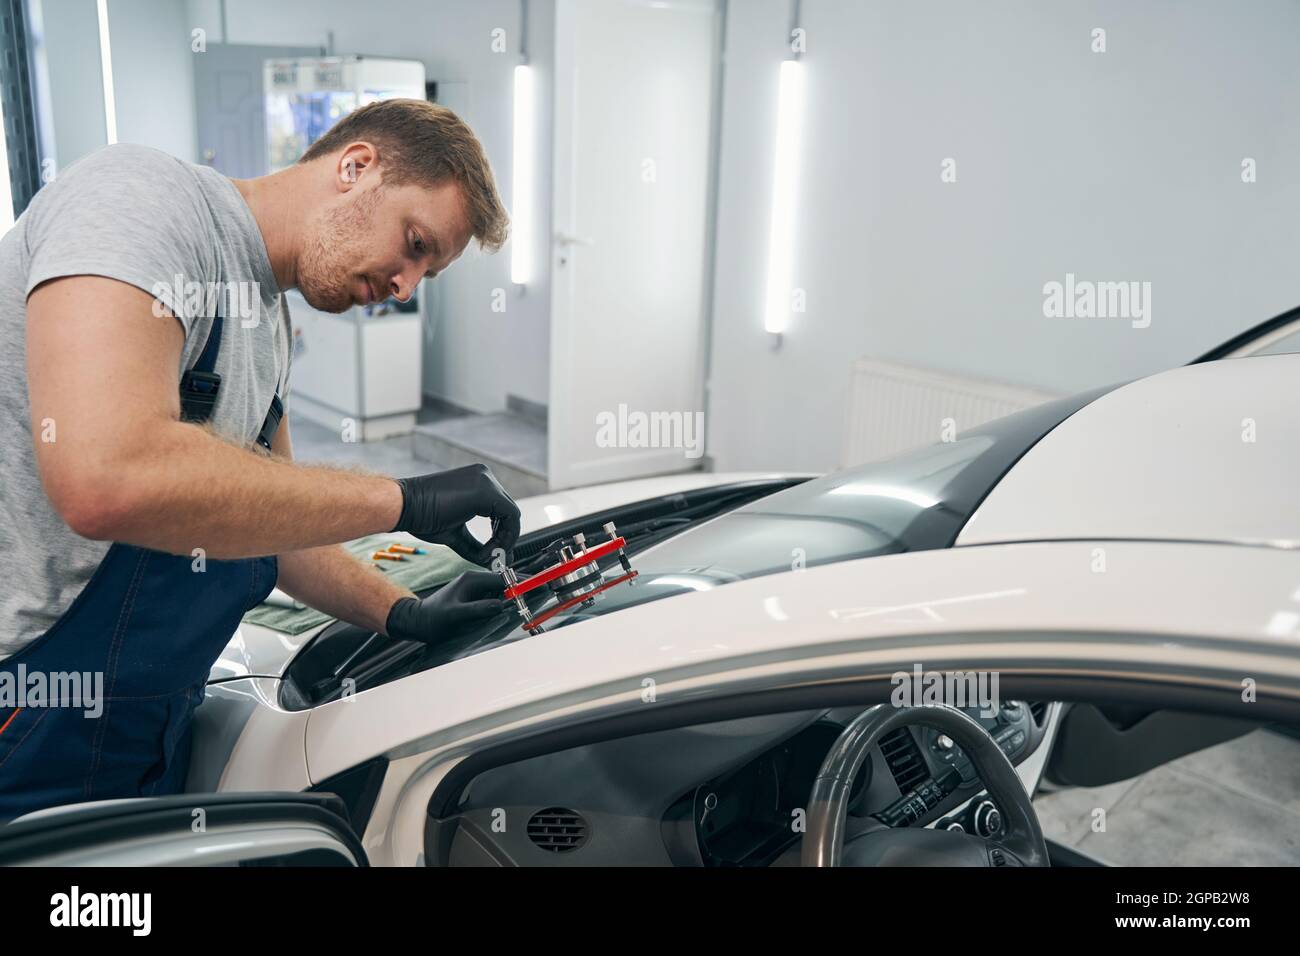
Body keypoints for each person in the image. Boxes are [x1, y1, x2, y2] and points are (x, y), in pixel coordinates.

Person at [0, 99, 521, 820]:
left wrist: (404, 613)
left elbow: (271, 526)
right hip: (24, 719)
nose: (404, 285)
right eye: (414, 243)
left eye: (424, 274)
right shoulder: (140, 201)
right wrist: (406, 501)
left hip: (134, 732)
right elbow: (105, 476)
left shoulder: (266, 325)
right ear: (356, 166)